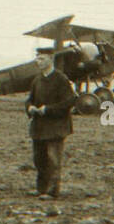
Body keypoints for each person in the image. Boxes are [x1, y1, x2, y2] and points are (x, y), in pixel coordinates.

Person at [26, 47, 76, 199]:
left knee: (53, 160)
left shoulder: (61, 79)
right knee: (39, 159)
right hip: (39, 128)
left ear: (50, 59)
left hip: (56, 127)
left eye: (41, 58)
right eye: (37, 58)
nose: (37, 61)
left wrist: (48, 109)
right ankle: (41, 189)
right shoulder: (37, 80)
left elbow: (69, 101)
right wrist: (30, 107)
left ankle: (52, 191)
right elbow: (30, 99)